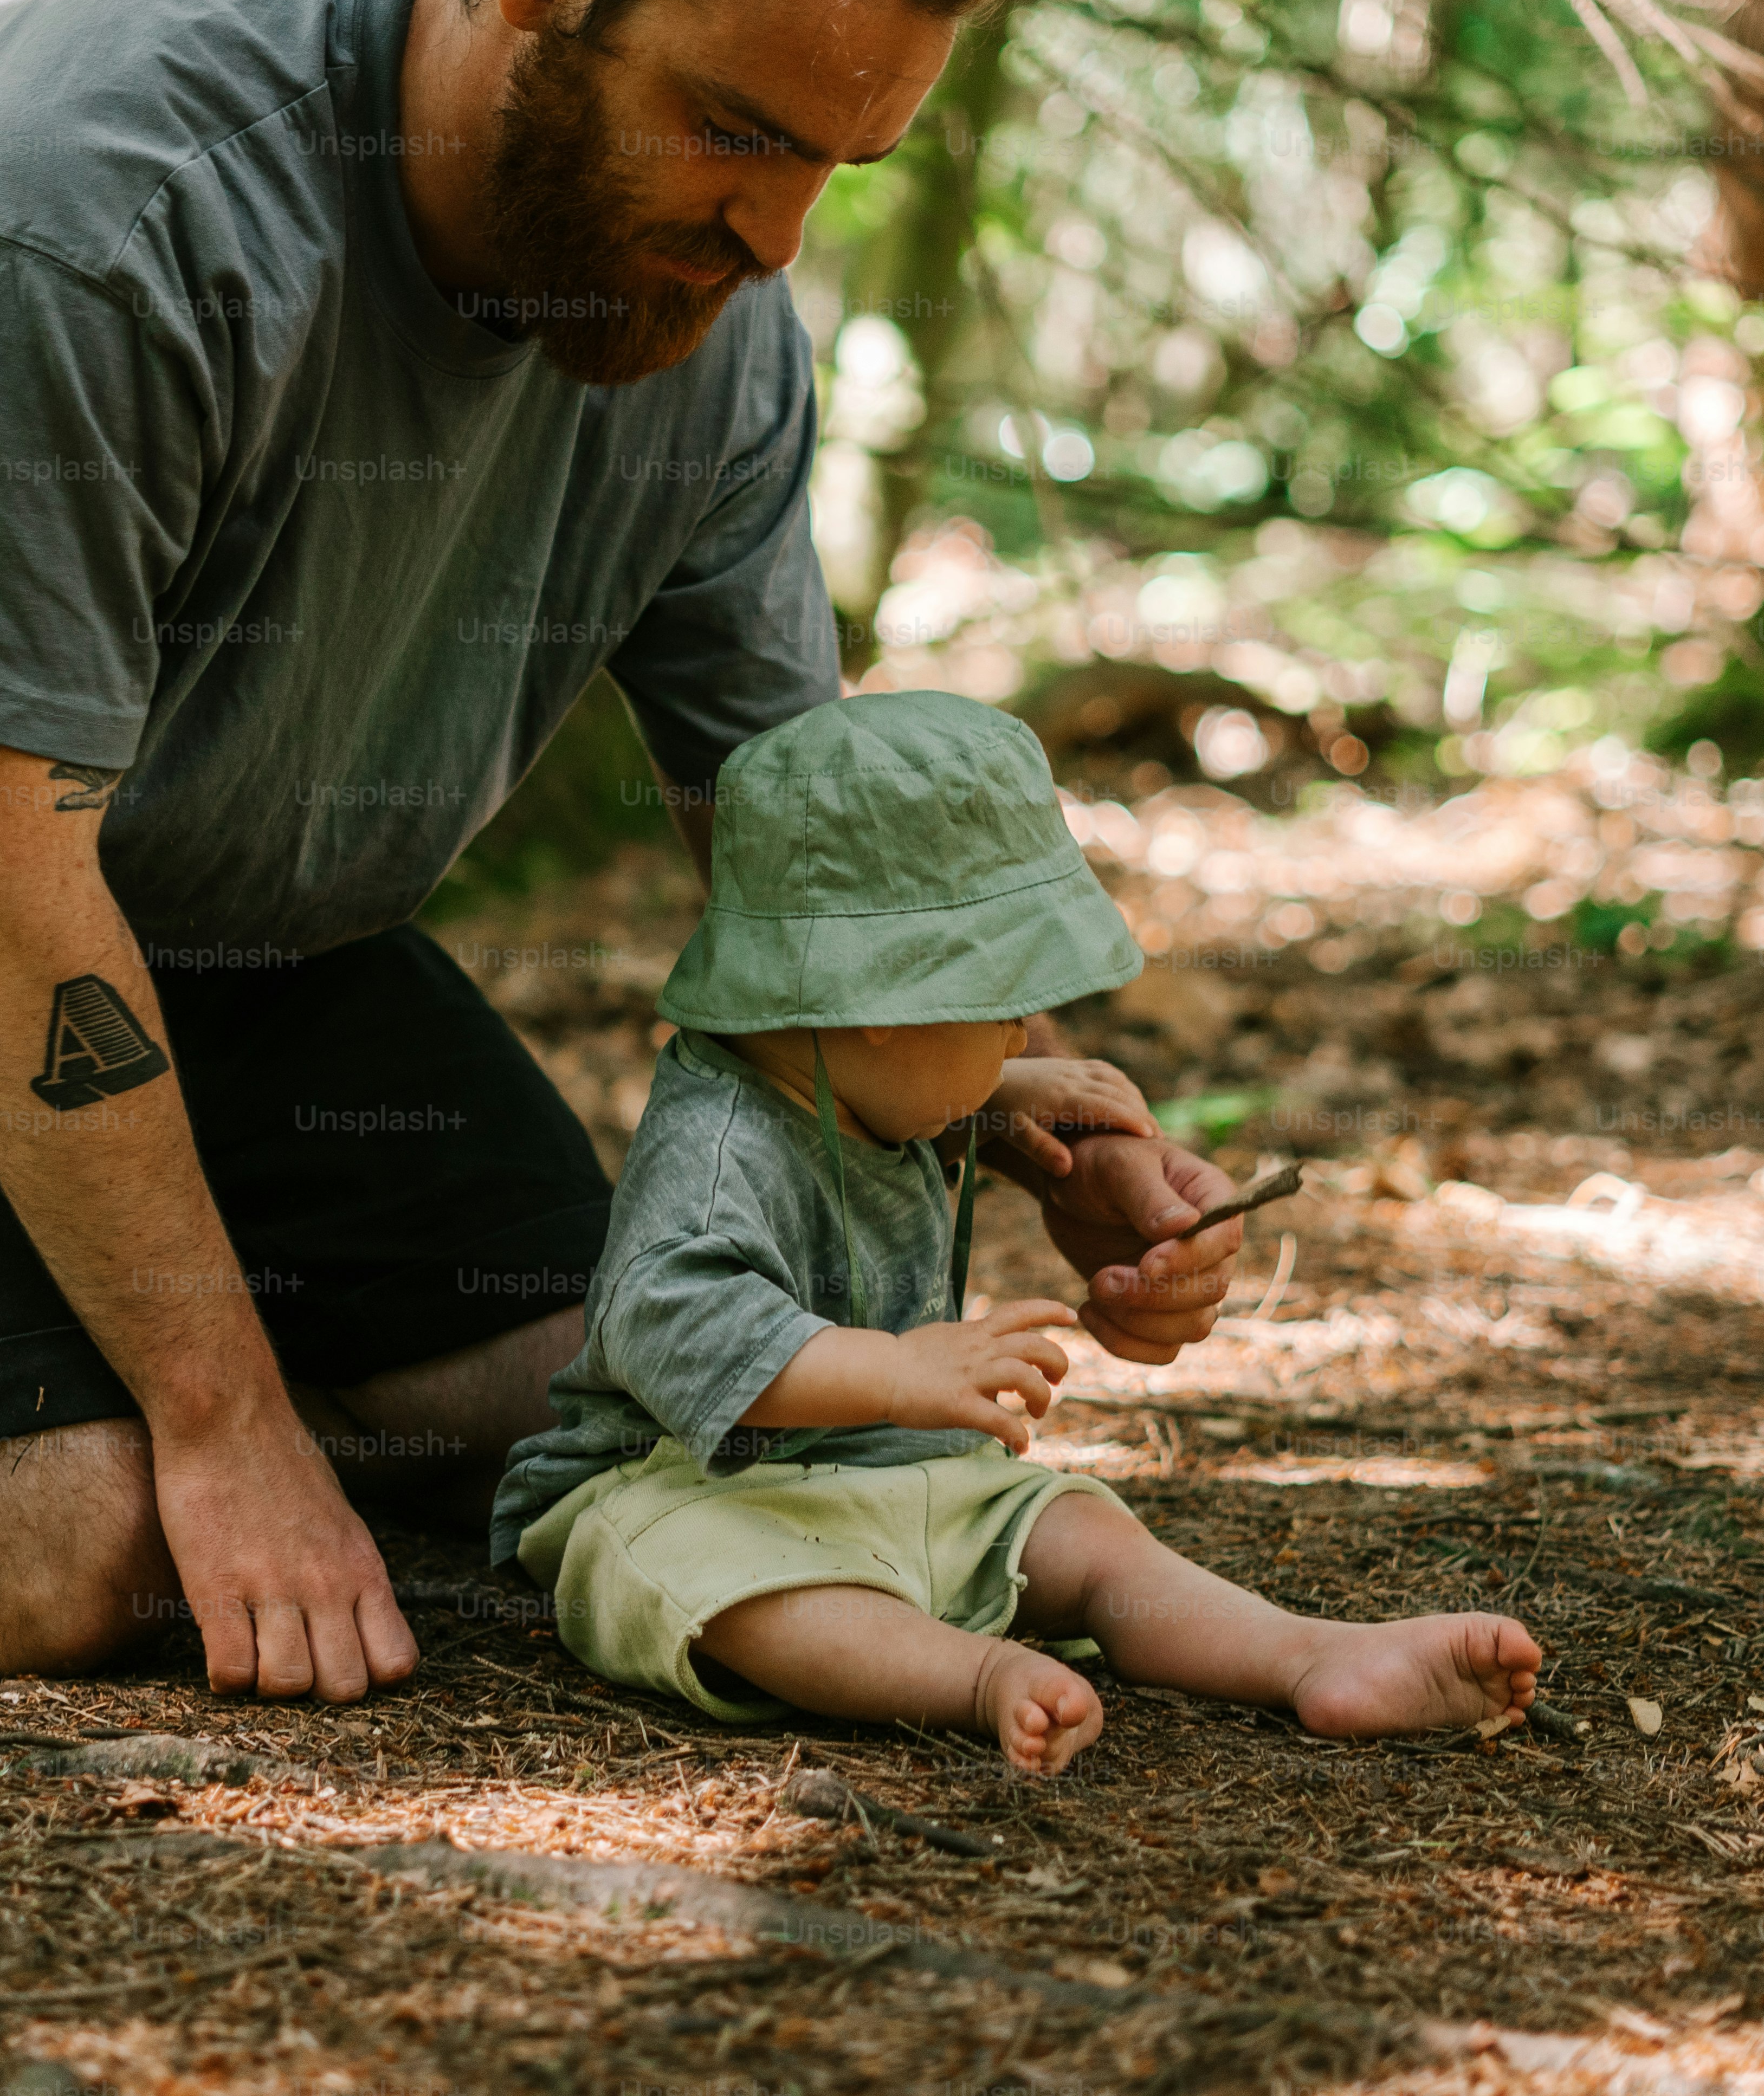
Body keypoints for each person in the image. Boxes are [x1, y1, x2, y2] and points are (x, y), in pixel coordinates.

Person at [0, 0, 1265, 1695]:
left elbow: (790, 824)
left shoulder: (715, 332)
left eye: (842, 165)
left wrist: (1015, 1098)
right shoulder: (85, 206)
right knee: (60, 1555)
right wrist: (219, 1425)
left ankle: (77, 1322)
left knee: (638, 1379)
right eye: (736, 130)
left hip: (230, 915)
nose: (778, 240)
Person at [493, 693, 1541, 1768]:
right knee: (736, 1590)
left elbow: (902, 1091)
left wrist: (1000, 1095)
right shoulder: (715, 1147)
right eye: (999, 1011)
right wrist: (898, 1373)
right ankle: (975, 1675)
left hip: (891, 1475)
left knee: (1086, 1536)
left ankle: (1311, 1656)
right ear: (878, 1004)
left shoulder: (857, 1075)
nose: (1014, 1034)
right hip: (684, 1485)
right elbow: (672, 1324)